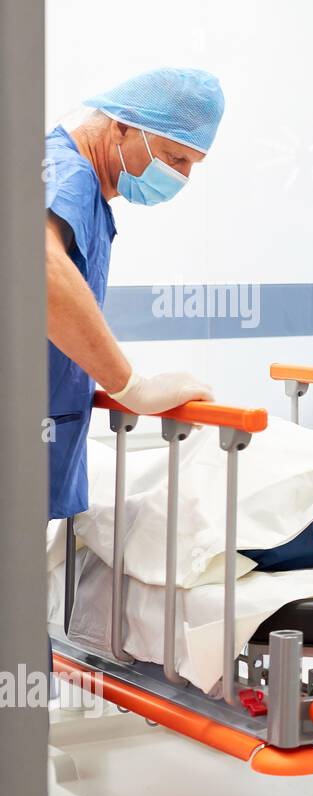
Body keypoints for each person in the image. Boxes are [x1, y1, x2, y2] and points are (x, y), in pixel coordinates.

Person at [46, 68, 224, 522]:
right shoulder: (67, 175)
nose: (181, 178)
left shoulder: (83, 195)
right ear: (120, 126)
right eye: (174, 158)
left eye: (190, 166)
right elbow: (39, 269)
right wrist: (130, 386)